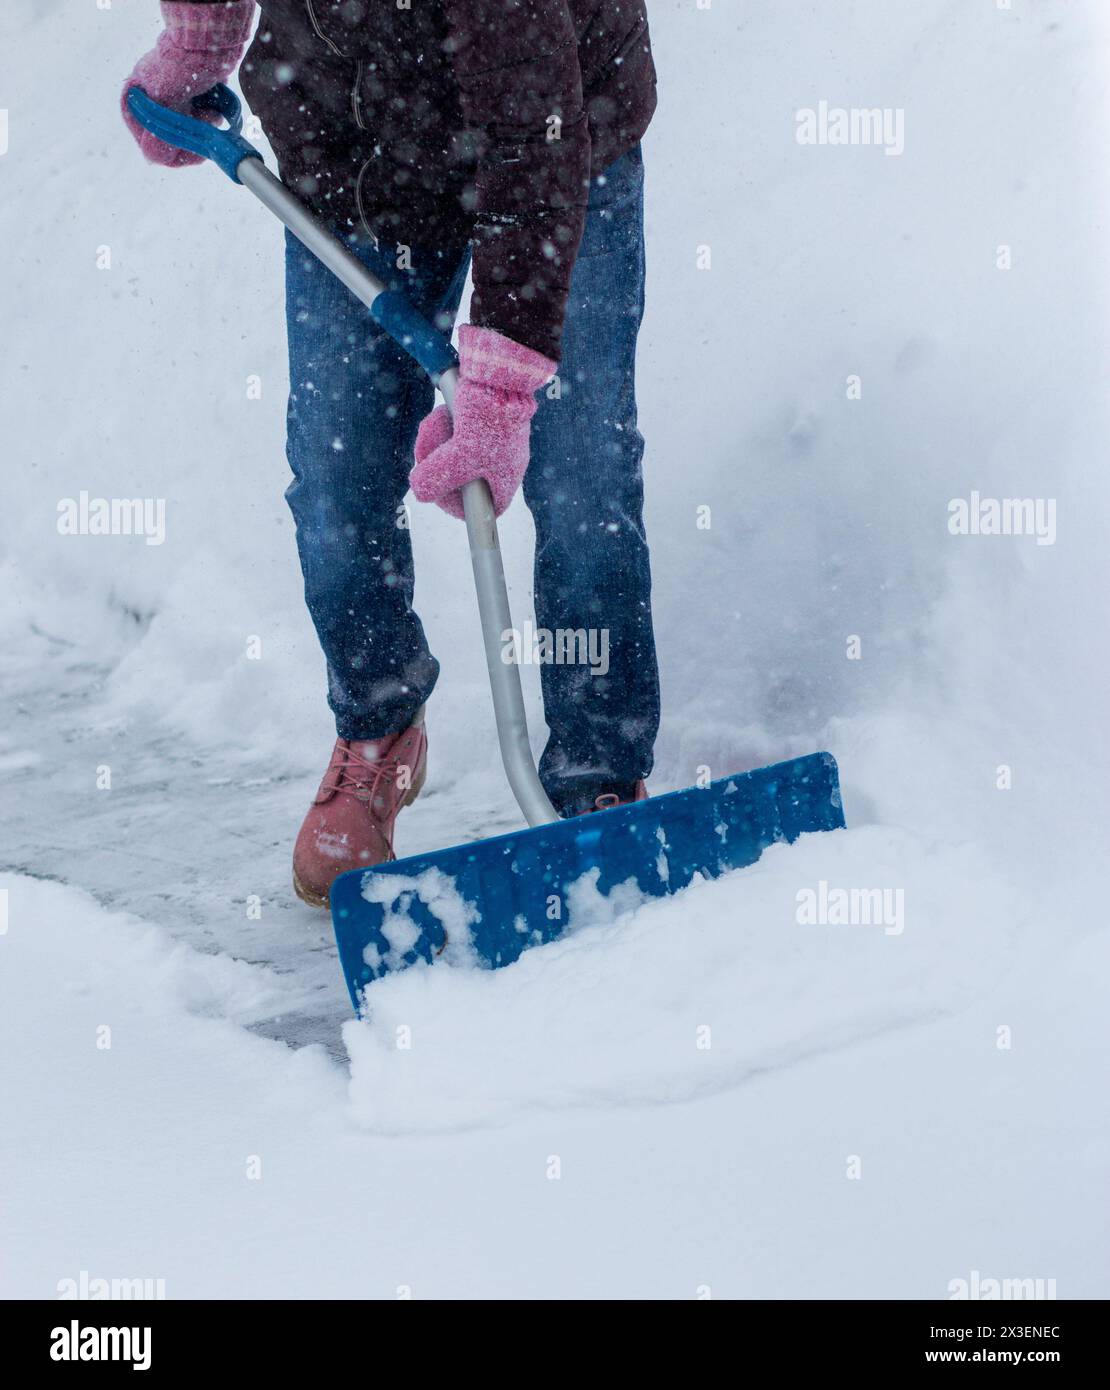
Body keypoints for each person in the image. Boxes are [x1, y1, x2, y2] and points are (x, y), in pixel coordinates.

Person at [123, 0, 661, 906]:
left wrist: (496, 389)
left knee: (583, 478)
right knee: (337, 479)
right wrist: (202, 41)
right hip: (358, 152)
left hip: (564, 148)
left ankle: (597, 773)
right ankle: (379, 723)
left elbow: (532, 133)